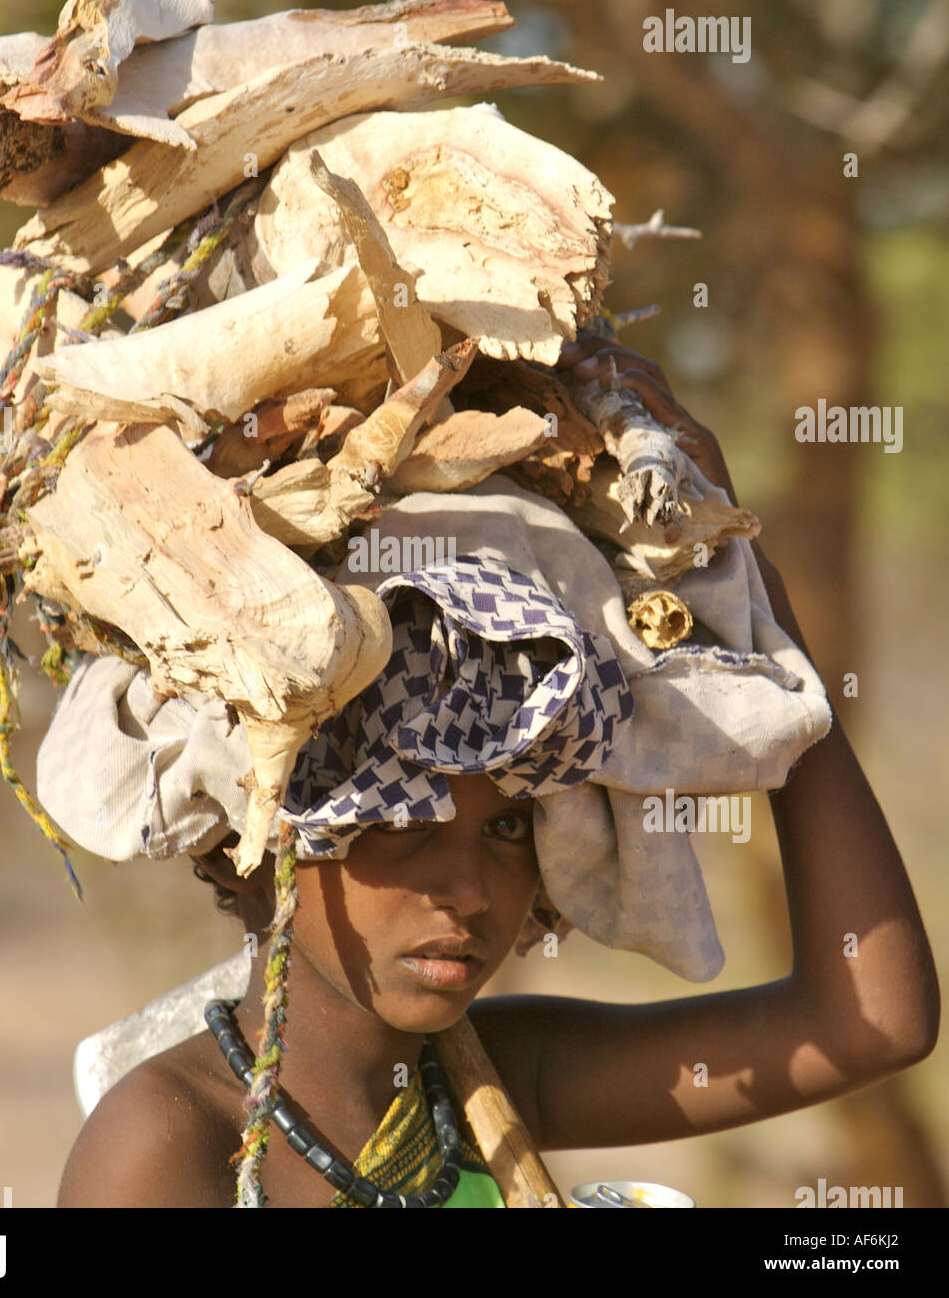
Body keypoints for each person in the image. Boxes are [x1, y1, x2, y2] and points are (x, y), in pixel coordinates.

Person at [56, 336, 939, 1208]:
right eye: (399, 823)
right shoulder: (166, 1145)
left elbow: (873, 1023)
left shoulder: (498, 1090)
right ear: (242, 847)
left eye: (509, 829)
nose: (468, 890)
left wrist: (742, 588)